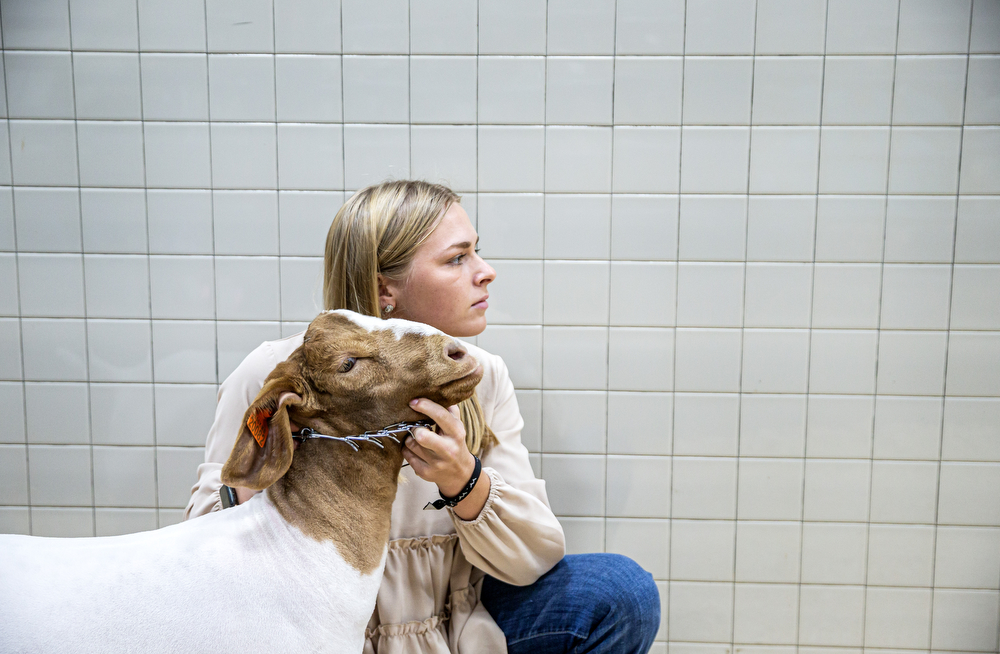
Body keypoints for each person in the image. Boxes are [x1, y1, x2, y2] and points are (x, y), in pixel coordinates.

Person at [185, 180, 660, 653]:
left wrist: (465, 481)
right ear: (384, 288)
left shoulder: (481, 376)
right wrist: (276, 461)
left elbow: (533, 560)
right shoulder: (280, 374)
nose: (486, 272)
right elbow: (201, 546)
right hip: (316, 630)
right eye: (457, 259)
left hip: (451, 632)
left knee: (620, 591)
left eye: (476, 252)